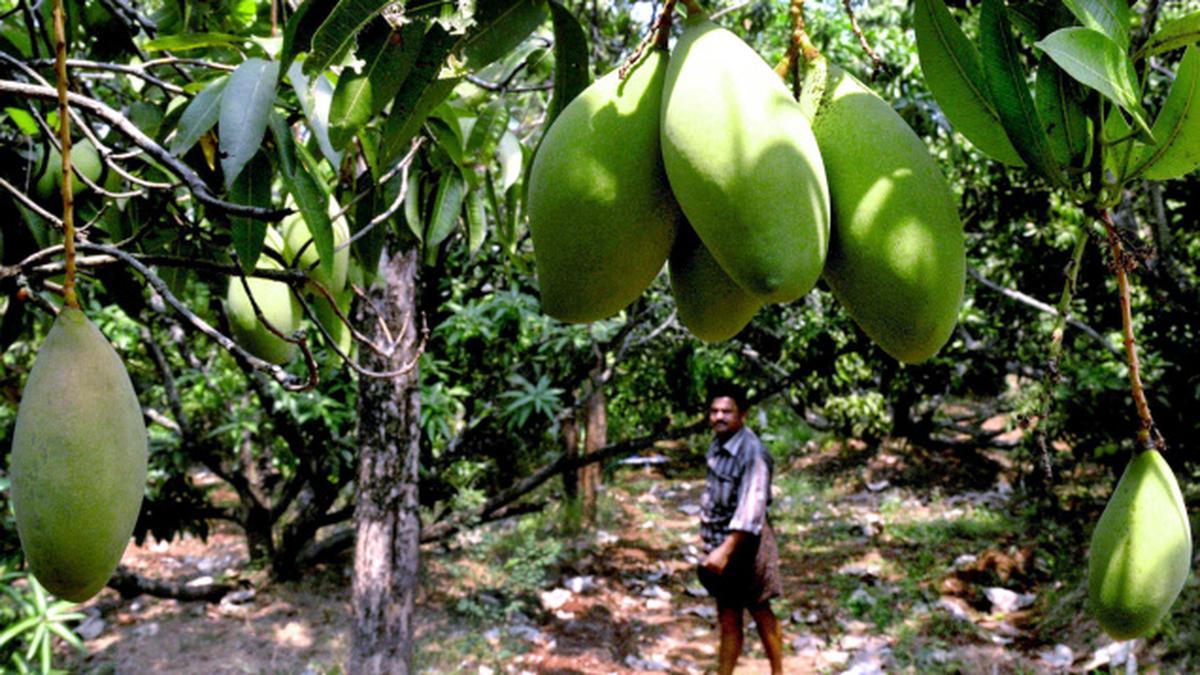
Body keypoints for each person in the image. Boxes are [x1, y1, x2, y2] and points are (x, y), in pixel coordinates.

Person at [697, 384, 784, 675]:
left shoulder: (753, 453)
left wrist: (725, 550)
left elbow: (751, 508)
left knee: (760, 610)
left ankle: (777, 672)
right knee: (728, 614)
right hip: (721, 541)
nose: (719, 417)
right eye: (714, 411)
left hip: (748, 544)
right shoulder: (719, 443)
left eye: (726, 411)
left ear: (742, 415)